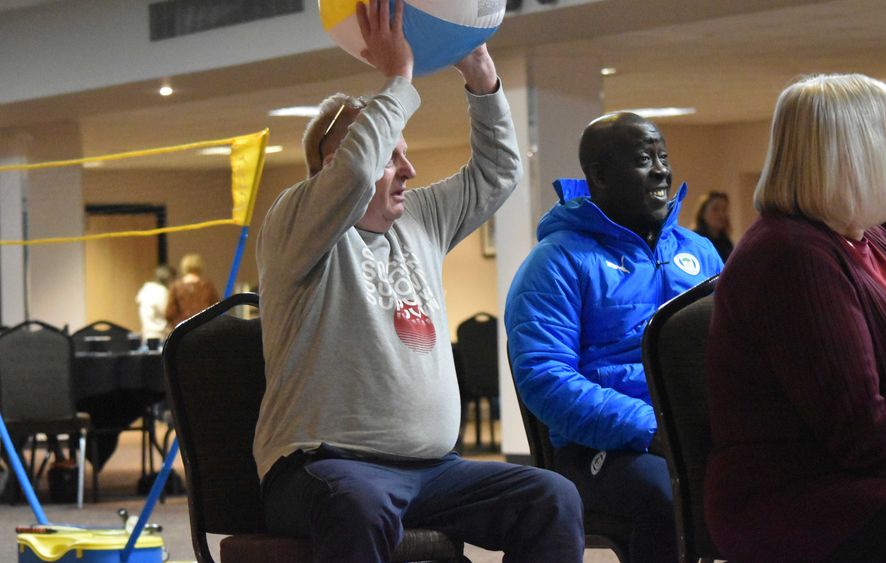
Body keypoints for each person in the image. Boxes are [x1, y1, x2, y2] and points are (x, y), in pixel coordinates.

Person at [252, 1, 584, 561]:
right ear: (332, 166)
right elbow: (356, 172)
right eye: (392, 156)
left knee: (550, 496)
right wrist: (397, 76)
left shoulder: (421, 222)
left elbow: (498, 172)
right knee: (357, 502)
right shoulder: (296, 224)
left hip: (433, 471)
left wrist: (479, 71)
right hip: (323, 468)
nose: (407, 170)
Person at [705, 73, 886, 563]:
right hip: (799, 492)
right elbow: (859, 423)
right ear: (850, 151)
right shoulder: (790, 255)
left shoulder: (873, 239)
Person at [505, 111, 723, 562]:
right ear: (600, 176)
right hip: (598, 448)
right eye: (645, 158)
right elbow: (545, 378)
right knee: (667, 497)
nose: (662, 169)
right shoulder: (556, 261)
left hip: (697, 435)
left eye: (663, 156)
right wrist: (648, 427)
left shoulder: (699, 251)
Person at [165, 253, 219, 330]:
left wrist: (177, 327)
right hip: (204, 327)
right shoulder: (207, 285)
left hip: (183, 329)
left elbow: (170, 313)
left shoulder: (176, 286)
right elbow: (216, 308)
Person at [135, 264, 174, 343]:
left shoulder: (147, 290)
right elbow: (166, 313)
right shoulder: (162, 292)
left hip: (147, 333)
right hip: (161, 335)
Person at [692, 191, 733, 262]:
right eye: (715, 209)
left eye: (724, 209)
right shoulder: (694, 241)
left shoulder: (726, 243)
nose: (721, 214)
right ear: (703, 213)